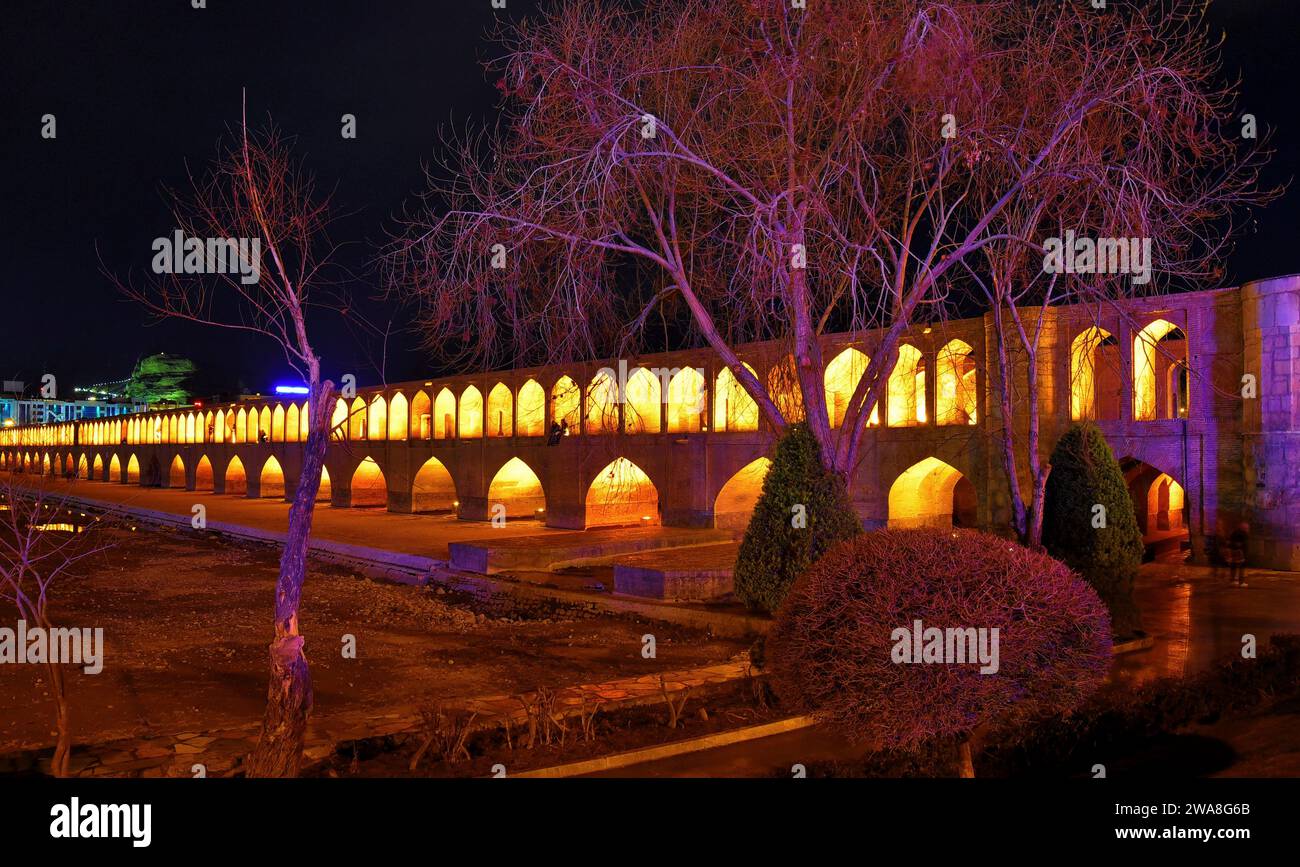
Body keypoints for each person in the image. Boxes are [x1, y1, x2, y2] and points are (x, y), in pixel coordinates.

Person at [1226, 521, 1250, 588]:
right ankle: (1241, 582)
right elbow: (1243, 544)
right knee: (1241, 567)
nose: (1248, 529)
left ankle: (1232, 581)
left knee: (1233, 566)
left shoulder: (1234, 533)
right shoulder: (1243, 534)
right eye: (1247, 528)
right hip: (1239, 552)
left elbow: (1230, 542)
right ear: (1243, 528)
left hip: (1233, 551)